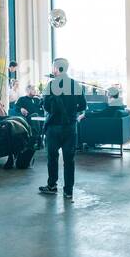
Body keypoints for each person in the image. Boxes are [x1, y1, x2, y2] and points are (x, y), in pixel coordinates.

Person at [39, 58, 86, 198]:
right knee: (69, 160)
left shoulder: (51, 85)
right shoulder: (75, 85)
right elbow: (83, 106)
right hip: (70, 127)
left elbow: (46, 106)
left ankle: (52, 185)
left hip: (53, 127)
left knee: (52, 158)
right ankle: (68, 191)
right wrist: (72, 111)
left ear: (56, 68)